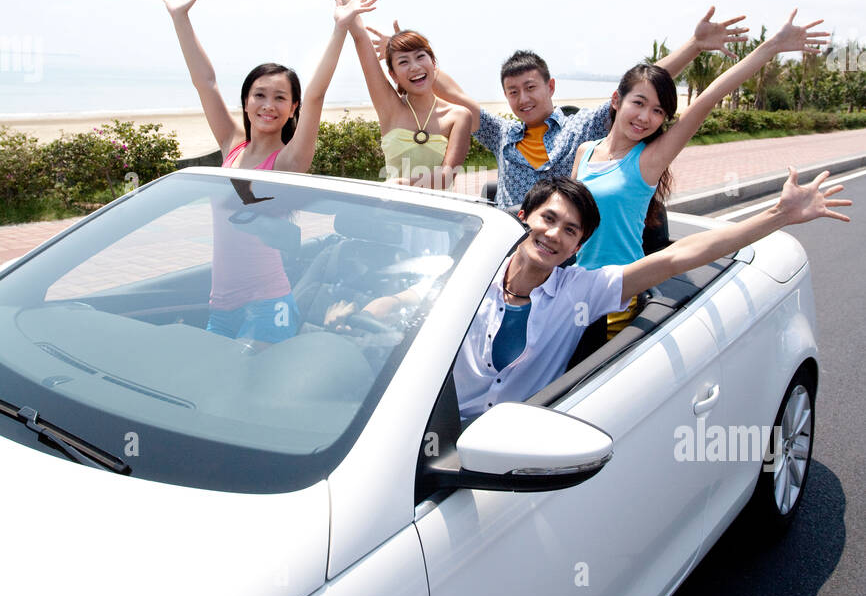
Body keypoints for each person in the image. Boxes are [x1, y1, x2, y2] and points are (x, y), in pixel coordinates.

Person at [332, 171, 850, 418]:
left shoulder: (584, 290)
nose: (555, 235)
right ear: (524, 219)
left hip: (512, 448)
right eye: (548, 219)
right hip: (430, 434)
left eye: (571, 231)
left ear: (579, 245)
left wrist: (778, 216)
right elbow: (406, 300)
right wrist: (375, 308)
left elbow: (677, 258)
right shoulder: (469, 274)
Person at [571, 10, 830, 335]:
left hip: (615, 298)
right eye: (638, 102)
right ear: (616, 100)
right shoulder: (585, 152)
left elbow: (708, 98)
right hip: (571, 288)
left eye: (658, 111)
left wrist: (773, 46)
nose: (645, 117)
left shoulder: (648, 160)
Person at [162, 0, 378, 341]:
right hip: (221, 304)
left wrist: (340, 28)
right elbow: (207, 82)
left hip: (268, 305)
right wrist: (180, 19)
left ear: (293, 108)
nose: (268, 105)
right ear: (246, 102)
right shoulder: (232, 146)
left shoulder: (288, 161)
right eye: (259, 95)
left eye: (280, 97)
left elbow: (317, 95)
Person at [369, 9, 749, 209]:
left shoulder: (581, 128)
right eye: (513, 92)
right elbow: (455, 93)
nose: (523, 99)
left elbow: (639, 88)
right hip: (504, 249)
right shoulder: (501, 133)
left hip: (562, 249)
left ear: (551, 87)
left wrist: (695, 45)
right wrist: (403, 55)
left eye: (531, 88)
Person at [309, 0, 472, 188]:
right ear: (393, 75)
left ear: (433, 62)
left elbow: (447, 176)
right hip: (393, 219)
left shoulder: (459, 116)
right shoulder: (389, 108)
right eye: (403, 62)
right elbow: (360, 36)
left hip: (442, 221)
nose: (415, 67)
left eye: (420, 57)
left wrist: (402, 185)